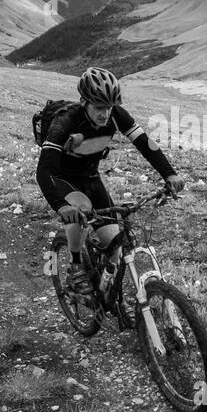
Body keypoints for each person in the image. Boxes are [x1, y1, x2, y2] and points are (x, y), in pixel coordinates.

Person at [36, 67, 184, 295]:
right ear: (84, 101)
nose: (105, 114)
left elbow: (146, 144)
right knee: (79, 209)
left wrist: (169, 173)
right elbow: (44, 171)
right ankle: (76, 266)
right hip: (64, 179)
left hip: (90, 177)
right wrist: (61, 206)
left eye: (109, 107)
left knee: (114, 242)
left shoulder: (116, 115)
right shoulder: (66, 122)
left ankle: (103, 290)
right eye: (99, 108)